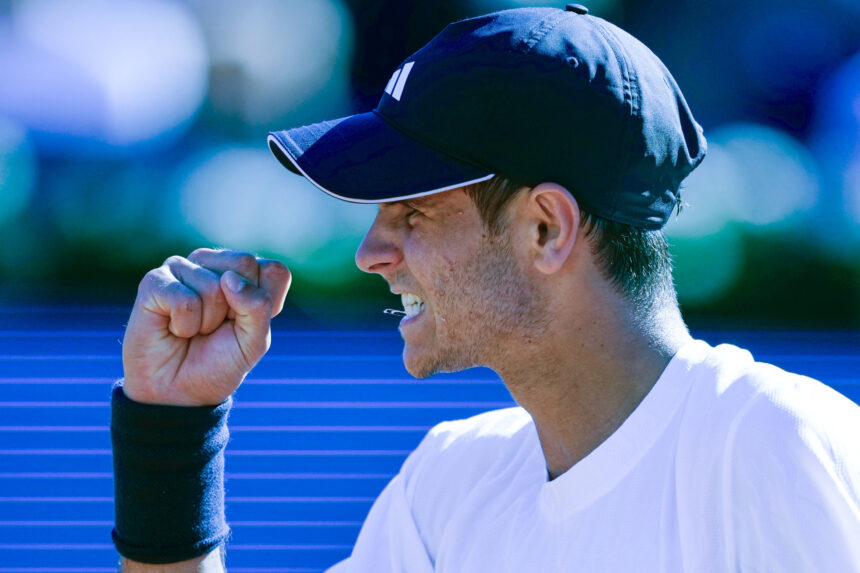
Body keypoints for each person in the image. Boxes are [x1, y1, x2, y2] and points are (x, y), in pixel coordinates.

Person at [110, 5, 860, 572]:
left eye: (413, 211)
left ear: (546, 229)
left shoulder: (769, 445)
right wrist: (170, 433)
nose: (372, 252)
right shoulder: (447, 482)